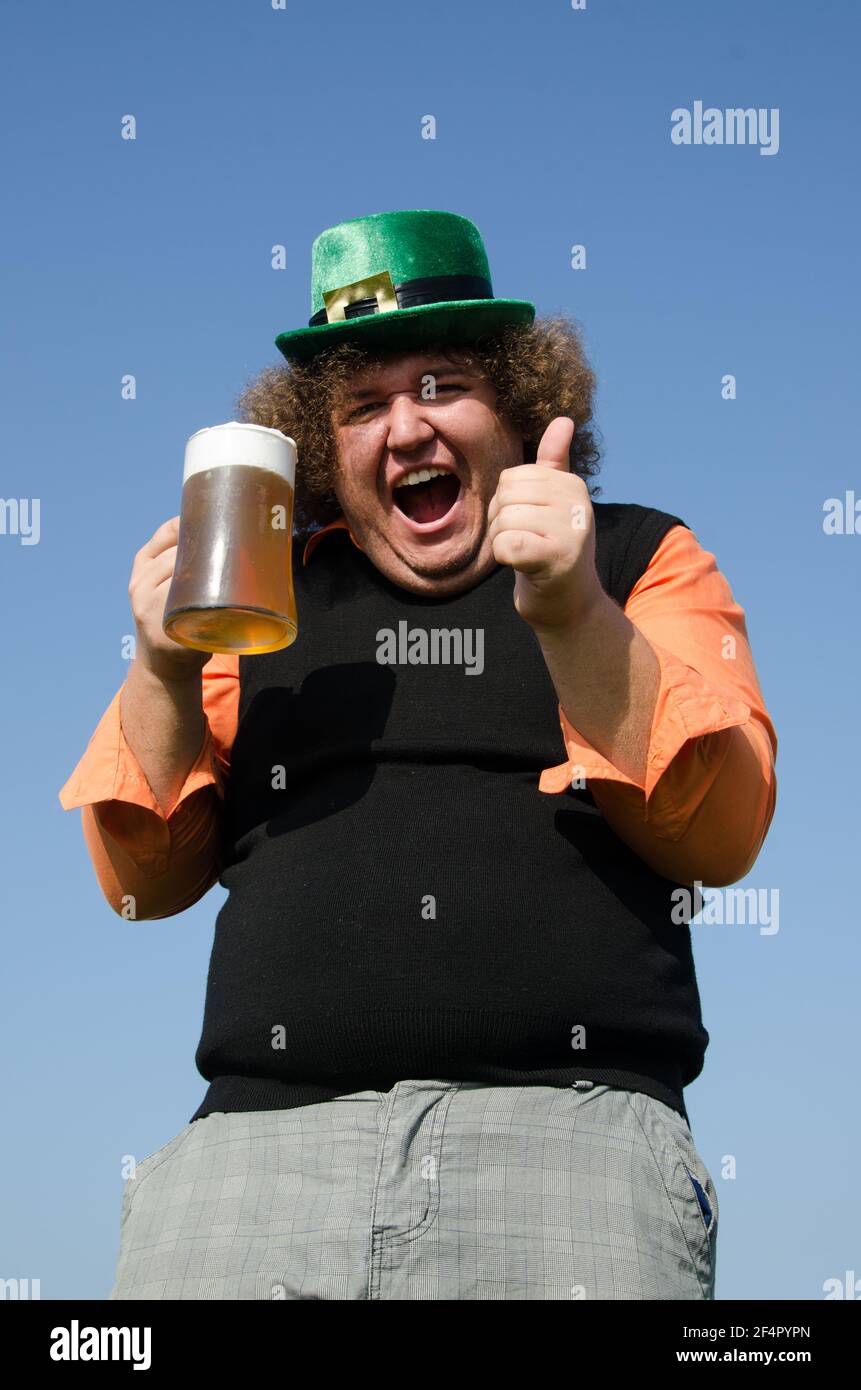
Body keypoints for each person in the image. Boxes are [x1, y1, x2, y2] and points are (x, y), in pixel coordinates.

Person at [59, 208, 777, 1301]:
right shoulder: (263, 599)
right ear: (319, 446)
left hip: (566, 1160)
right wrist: (160, 665)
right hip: (253, 1168)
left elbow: (721, 833)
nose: (406, 430)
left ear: (524, 405)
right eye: (362, 406)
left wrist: (575, 611)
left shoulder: (638, 557)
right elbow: (141, 884)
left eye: (444, 385)